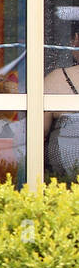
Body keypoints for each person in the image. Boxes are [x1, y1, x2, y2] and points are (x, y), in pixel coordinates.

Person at [43, 21, 79, 182]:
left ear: (75, 41)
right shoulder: (57, 79)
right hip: (61, 180)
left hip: (61, 184)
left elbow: (36, 134)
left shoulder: (56, 80)